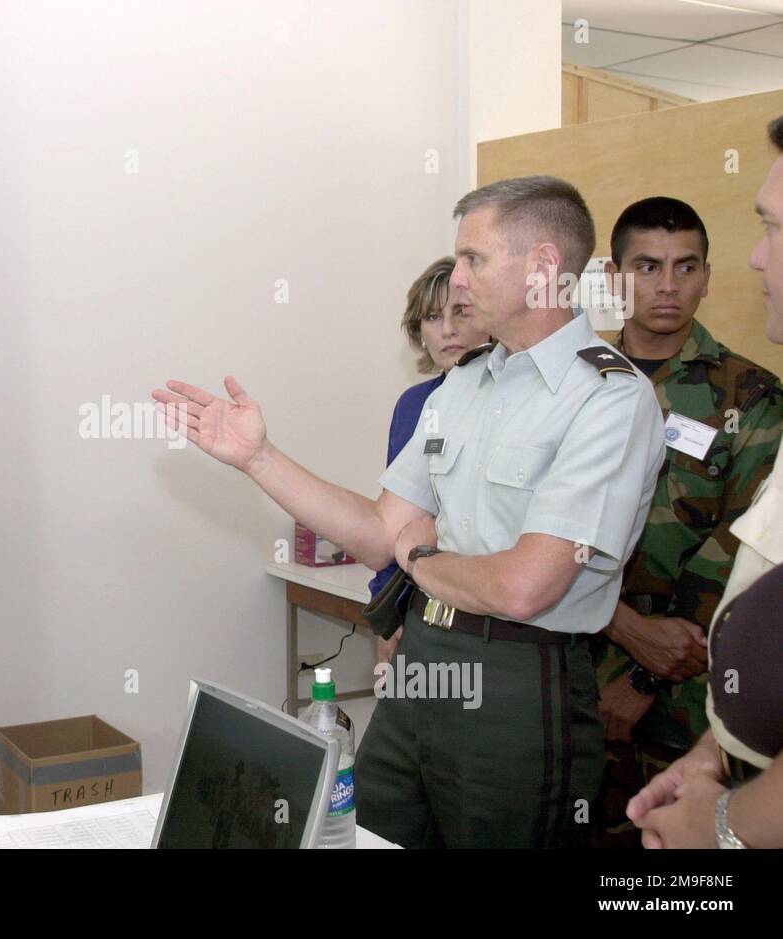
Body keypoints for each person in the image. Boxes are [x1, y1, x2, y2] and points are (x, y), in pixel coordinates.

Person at [154, 175, 666, 847]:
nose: (455, 280)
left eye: (474, 259)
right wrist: (258, 457)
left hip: (518, 678)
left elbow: (526, 584)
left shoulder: (609, 399)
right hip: (423, 662)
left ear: (542, 268)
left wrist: (421, 558)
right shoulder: (463, 384)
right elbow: (379, 530)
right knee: (367, 838)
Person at [590, 197, 783, 848]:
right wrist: (619, 629)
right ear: (615, 277)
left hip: (686, 701)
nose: (668, 285)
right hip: (570, 674)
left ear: (707, 275)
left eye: (685, 266)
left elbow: (742, 552)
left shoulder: (751, 395)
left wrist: (645, 674)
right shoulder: (572, 382)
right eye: (647, 266)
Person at [369, 257, 490, 666]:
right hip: (413, 596)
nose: (448, 330)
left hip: (481, 606)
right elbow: (395, 518)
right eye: (433, 317)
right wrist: (387, 613)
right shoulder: (414, 405)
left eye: (461, 313)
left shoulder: (507, 402)